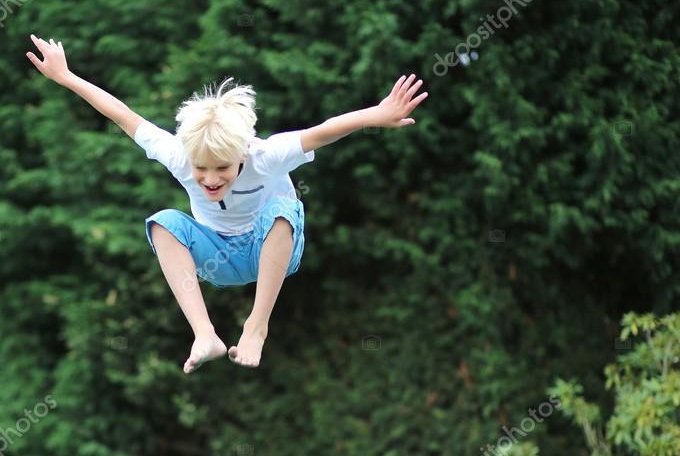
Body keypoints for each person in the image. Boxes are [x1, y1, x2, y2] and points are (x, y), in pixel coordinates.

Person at [27, 34, 427, 372]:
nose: (210, 180)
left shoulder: (265, 155)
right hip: (218, 257)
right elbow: (124, 116)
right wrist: (66, 77)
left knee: (283, 209)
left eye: (222, 168)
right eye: (201, 169)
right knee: (163, 222)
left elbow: (322, 132)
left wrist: (376, 114)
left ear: (241, 155)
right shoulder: (179, 156)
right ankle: (204, 334)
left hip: (271, 250)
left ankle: (257, 325)